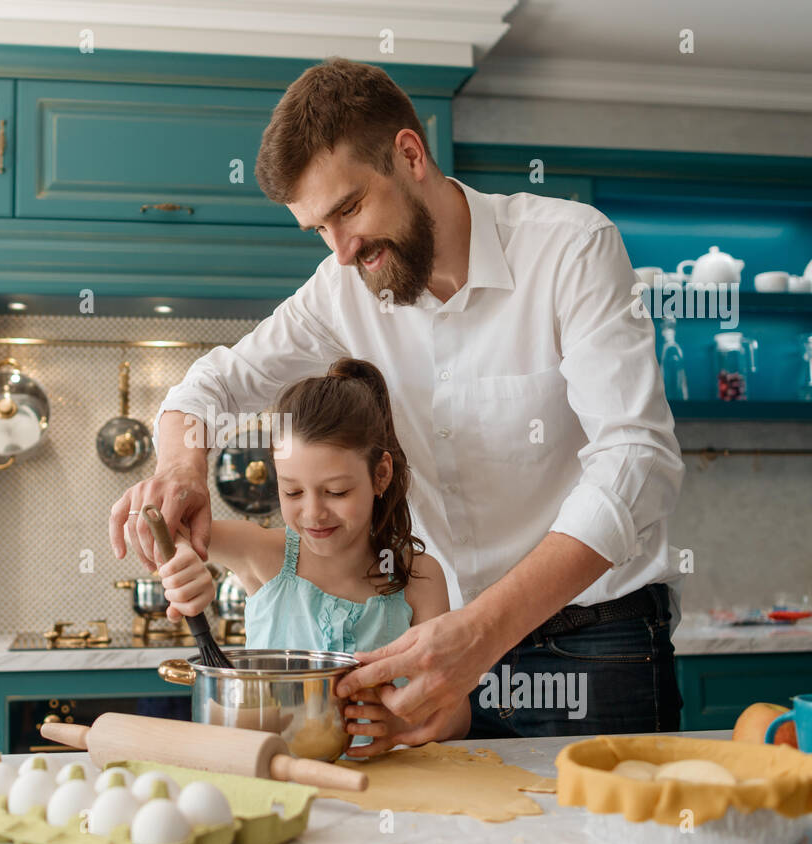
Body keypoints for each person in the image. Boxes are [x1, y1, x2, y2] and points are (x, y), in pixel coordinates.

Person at [109, 56, 684, 742]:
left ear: (410, 155)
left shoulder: (570, 249)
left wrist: (484, 630)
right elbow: (214, 384)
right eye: (319, 229)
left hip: (596, 644)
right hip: (436, 654)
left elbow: (636, 458)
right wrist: (181, 468)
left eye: (348, 209)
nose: (341, 251)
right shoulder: (341, 291)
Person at [153, 358, 469, 756]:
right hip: (276, 780)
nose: (313, 513)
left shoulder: (418, 577)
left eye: (336, 492)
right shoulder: (263, 554)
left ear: (380, 475)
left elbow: (457, 714)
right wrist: (183, 559)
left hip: (390, 784)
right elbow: (164, 524)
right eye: (293, 492)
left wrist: (407, 723)